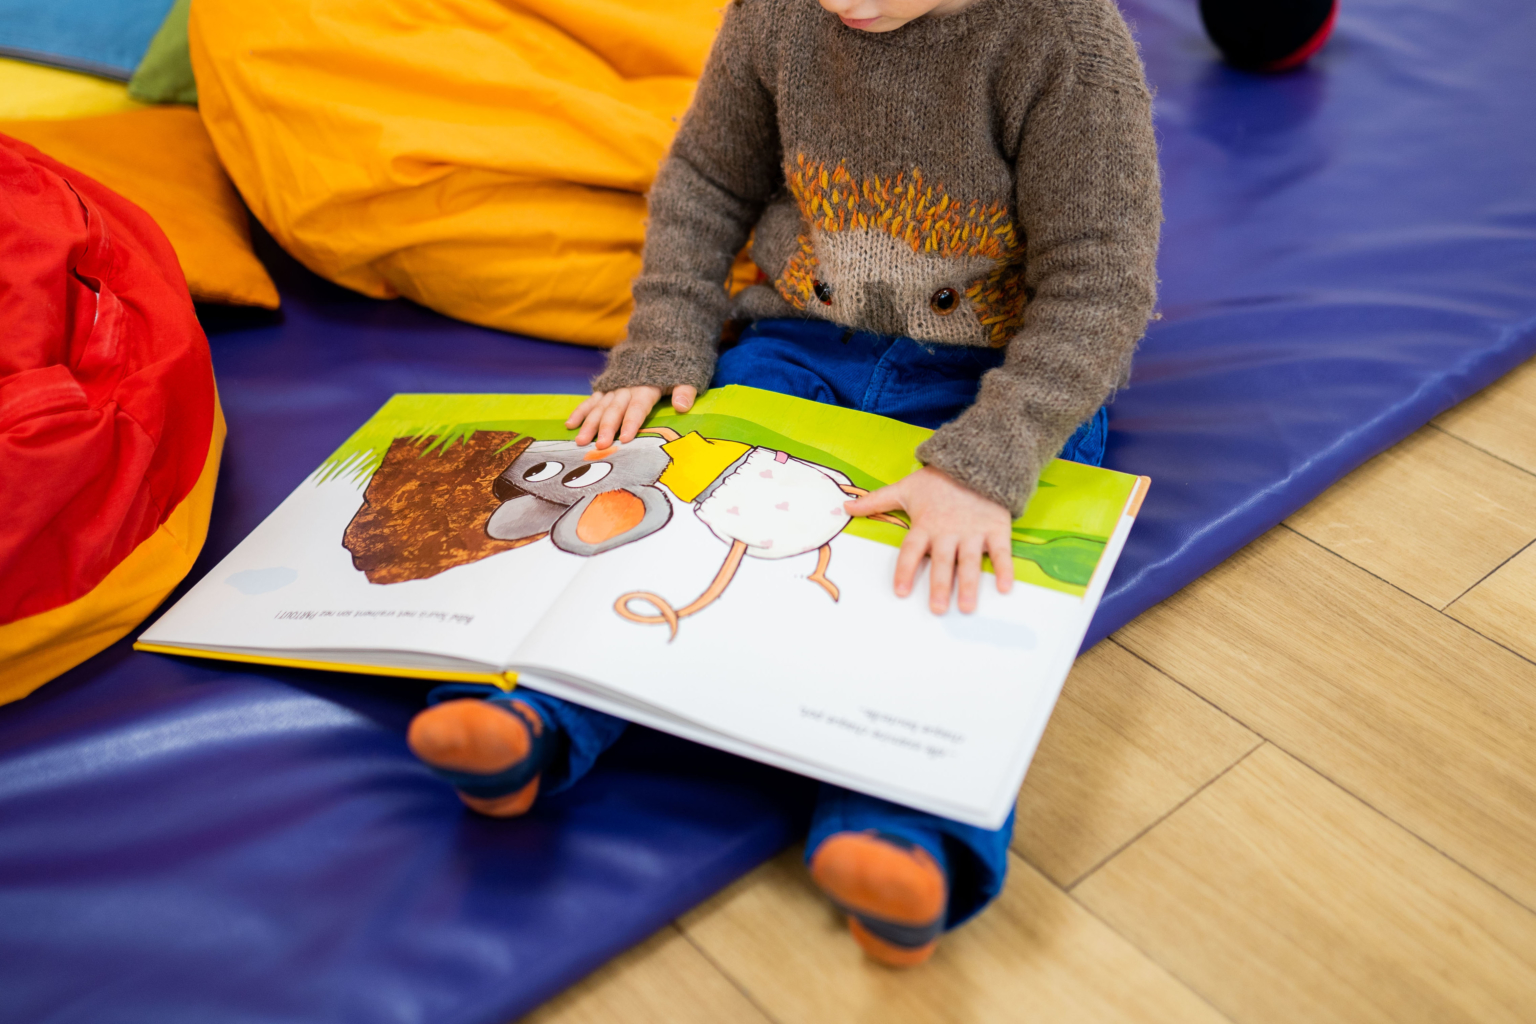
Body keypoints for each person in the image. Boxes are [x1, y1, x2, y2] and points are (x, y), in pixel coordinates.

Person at [407, 0, 1160, 966]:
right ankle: (535, 713)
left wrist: (987, 463)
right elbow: (707, 178)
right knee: (670, 508)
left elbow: (1101, 278)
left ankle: (906, 832)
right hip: (801, 344)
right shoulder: (774, 15)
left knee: (942, 577)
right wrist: (668, 333)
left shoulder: (1066, 40)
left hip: (992, 381)